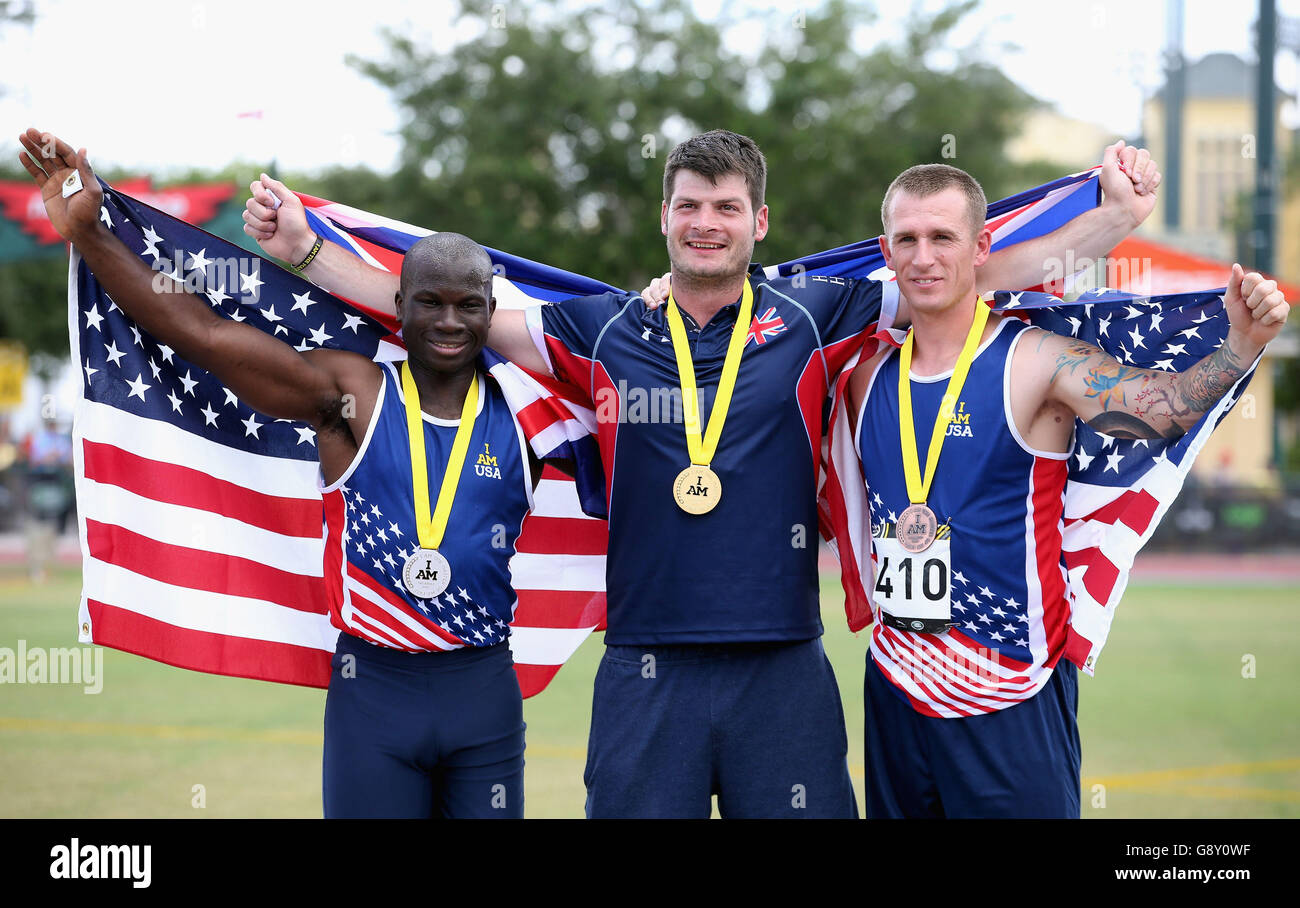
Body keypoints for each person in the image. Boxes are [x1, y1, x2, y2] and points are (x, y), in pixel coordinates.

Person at [243, 130, 1160, 818]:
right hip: (649, 671)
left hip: (782, 671)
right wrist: (304, 253)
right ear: (667, 218)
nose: (707, 223)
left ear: (757, 221)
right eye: (690, 205)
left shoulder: (817, 315)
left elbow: (970, 270)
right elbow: (448, 313)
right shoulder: (601, 328)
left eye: (726, 207)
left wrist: (1113, 218)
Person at [19, 127, 556, 819]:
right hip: (374, 691)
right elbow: (204, 336)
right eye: (430, 302)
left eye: (468, 305)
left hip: (482, 692)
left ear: (493, 312)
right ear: (398, 307)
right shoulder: (353, 397)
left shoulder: (531, 415)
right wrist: (90, 235)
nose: (449, 321)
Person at [844, 162, 1289, 818]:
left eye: (943, 237)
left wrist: (1240, 343)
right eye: (906, 240)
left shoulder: (1036, 360)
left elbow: (1157, 408)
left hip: (1008, 693)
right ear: (886, 253)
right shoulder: (861, 376)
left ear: (981, 249)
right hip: (895, 686)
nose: (924, 256)